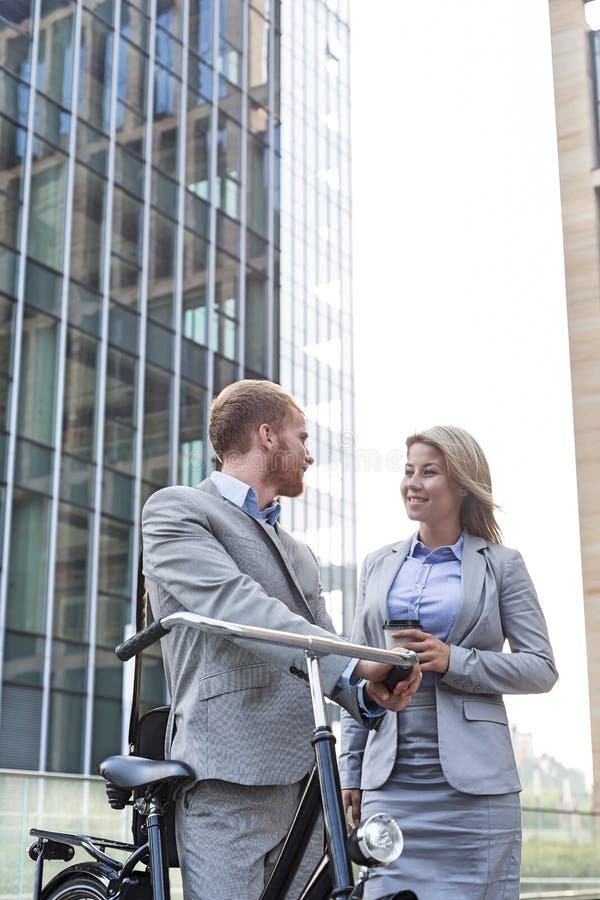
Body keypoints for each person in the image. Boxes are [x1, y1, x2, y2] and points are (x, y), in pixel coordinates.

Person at [141, 379, 421, 900]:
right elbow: (235, 603)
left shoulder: (298, 552)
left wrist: (367, 691)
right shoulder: (176, 510)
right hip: (230, 771)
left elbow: (327, 646)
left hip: (309, 781)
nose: (310, 455)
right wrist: (359, 667)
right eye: (303, 437)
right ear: (268, 436)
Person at [339, 425, 558, 900]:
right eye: (408, 471)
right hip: (390, 783)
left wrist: (452, 658)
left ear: (461, 484)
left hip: (475, 790)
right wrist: (350, 773)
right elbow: (354, 672)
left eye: (429, 472)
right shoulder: (378, 564)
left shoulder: (502, 565)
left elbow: (541, 667)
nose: (412, 483)